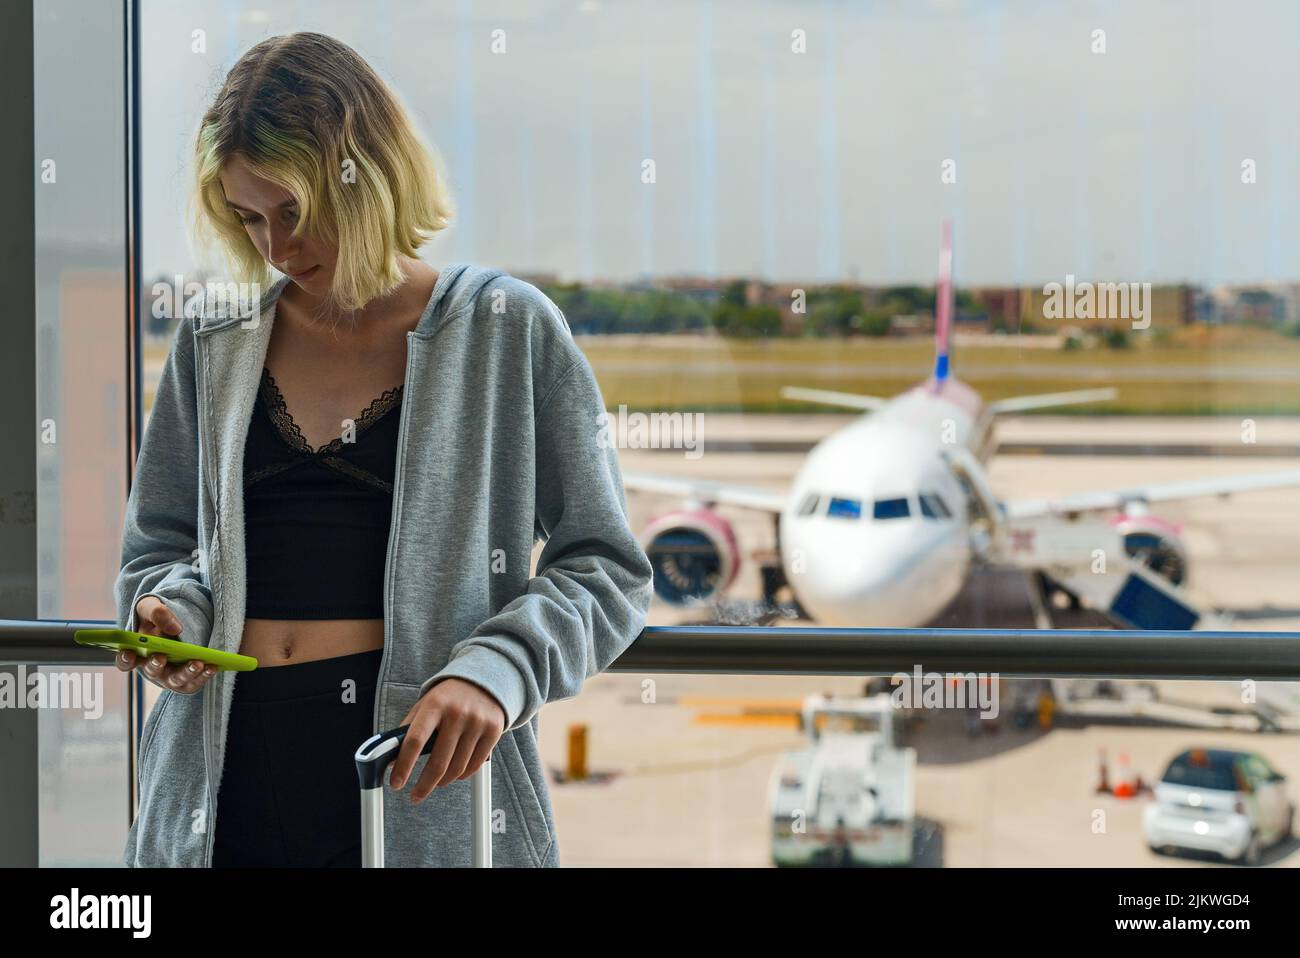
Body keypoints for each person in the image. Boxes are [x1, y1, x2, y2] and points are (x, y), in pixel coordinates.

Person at [113, 31, 654, 867]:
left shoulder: (505, 331)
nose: (277, 249)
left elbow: (608, 567)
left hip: (414, 777)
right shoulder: (215, 341)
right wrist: (168, 615)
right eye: (249, 217)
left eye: (293, 210)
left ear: (366, 176)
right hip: (218, 777)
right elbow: (160, 549)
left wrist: (498, 672)